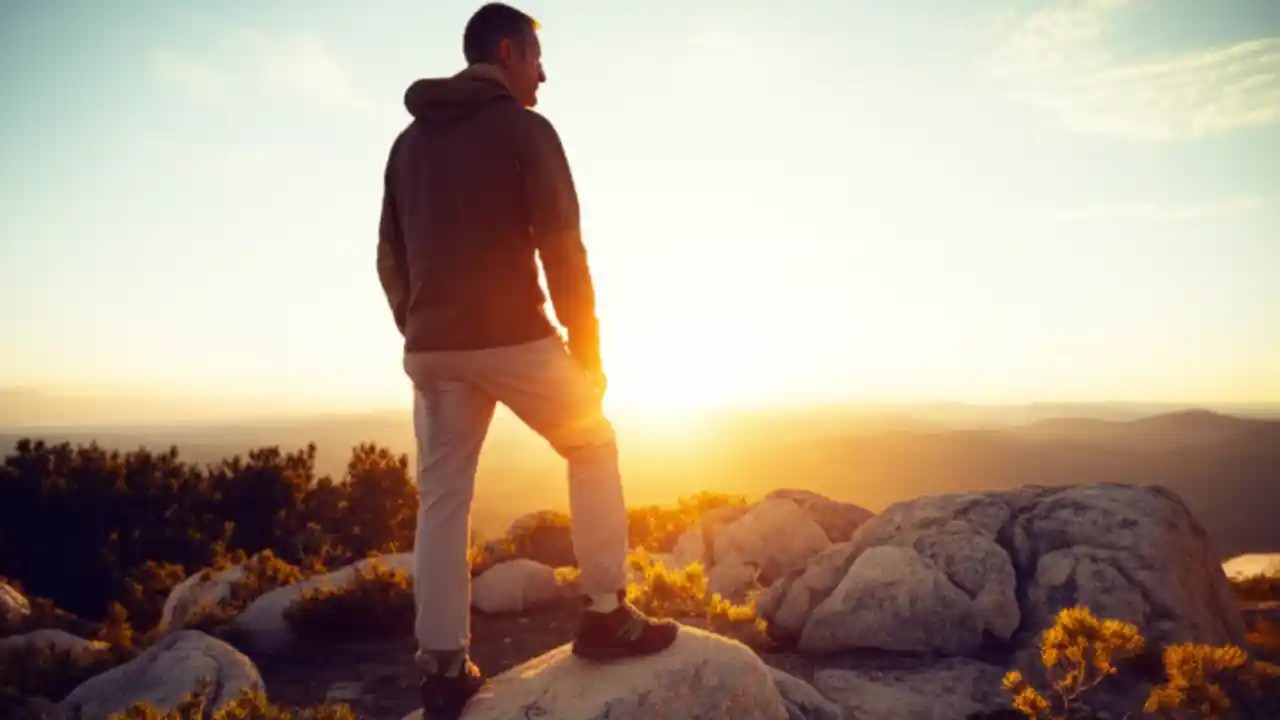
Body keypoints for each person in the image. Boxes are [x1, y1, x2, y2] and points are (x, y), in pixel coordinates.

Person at [377, 4, 680, 718]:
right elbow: (562, 246)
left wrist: (419, 324)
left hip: (432, 348)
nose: (544, 73)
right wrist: (588, 349)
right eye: (537, 58)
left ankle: (444, 669)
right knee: (593, 442)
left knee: (444, 498)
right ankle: (606, 612)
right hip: (513, 335)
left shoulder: (406, 144)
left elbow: (390, 255)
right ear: (507, 53)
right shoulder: (525, 129)